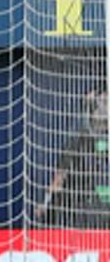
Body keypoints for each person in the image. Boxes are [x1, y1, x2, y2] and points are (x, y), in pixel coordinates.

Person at [37, 87, 110, 229]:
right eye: (105, 99)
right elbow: (60, 175)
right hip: (80, 206)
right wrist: (46, 203)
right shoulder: (79, 134)